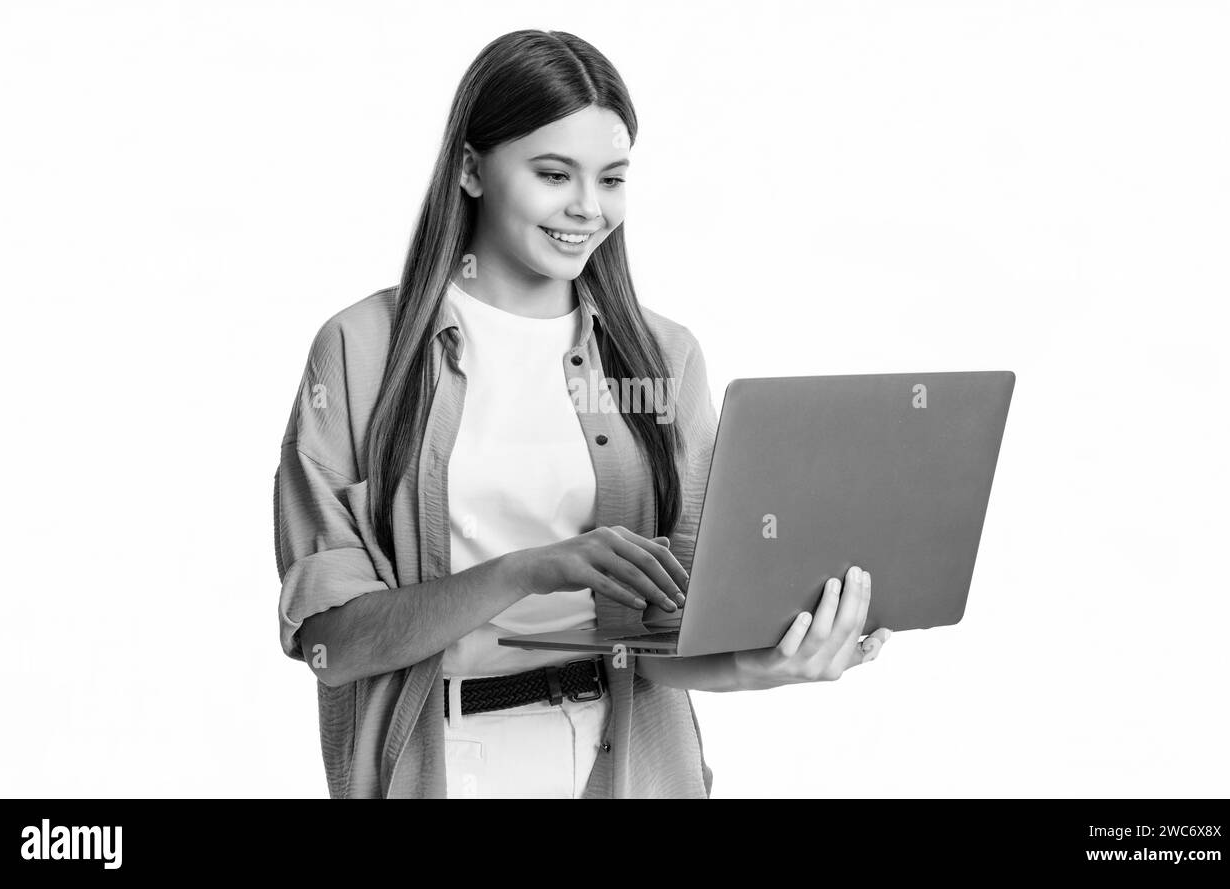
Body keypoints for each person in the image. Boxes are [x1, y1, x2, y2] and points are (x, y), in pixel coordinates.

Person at [272, 28, 893, 799]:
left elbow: (669, 635)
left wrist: (766, 661)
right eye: (554, 173)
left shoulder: (663, 358)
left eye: (612, 178)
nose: (587, 209)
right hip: (449, 765)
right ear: (470, 168)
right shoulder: (361, 352)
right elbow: (333, 639)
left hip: (629, 764)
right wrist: (530, 569)